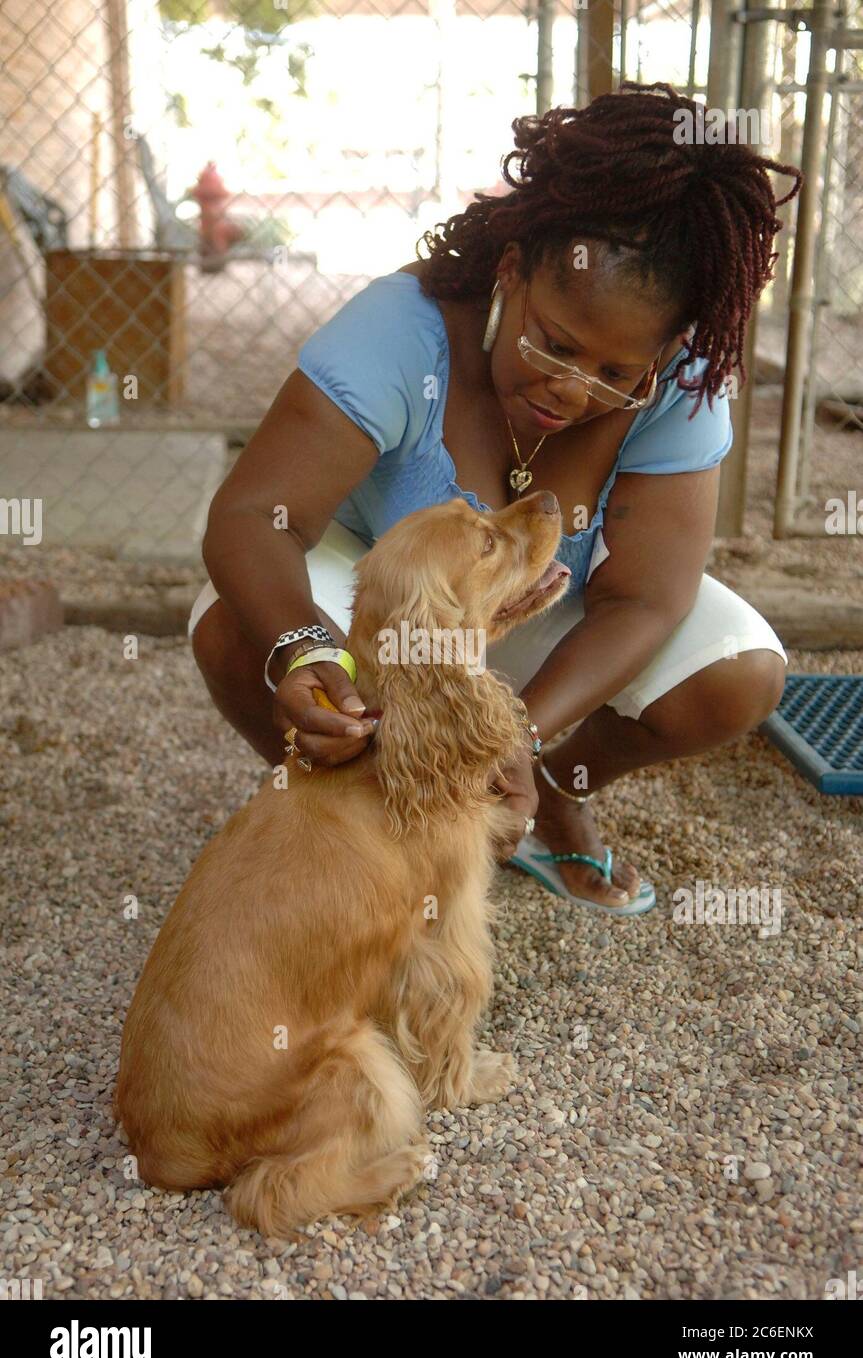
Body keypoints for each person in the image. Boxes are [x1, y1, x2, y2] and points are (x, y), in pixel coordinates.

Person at [189, 81, 802, 915]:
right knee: (235, 629)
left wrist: (519, 730)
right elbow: (254, 517)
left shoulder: (685, 381)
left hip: (544, 622)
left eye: (617, 374)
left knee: (736, 675)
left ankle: (551, 788)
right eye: (555, 343)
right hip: (386, 609)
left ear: (666, 352)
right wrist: (308, 653)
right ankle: (363, 835)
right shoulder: (403, 329)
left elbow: (646, 599)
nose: (571, 390)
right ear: (512, 270)